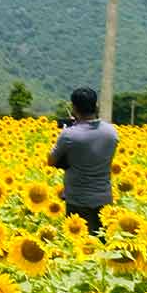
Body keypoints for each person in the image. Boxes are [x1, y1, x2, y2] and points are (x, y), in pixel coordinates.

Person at [47, 87, 118, 238]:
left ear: (74, 108)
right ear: (96, 106)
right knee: (102, 244)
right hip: (104, 199)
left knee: (78, 247)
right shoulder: (112, 132)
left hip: (77, 200)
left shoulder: (69, 135)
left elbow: (51, 160)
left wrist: (67, 132)